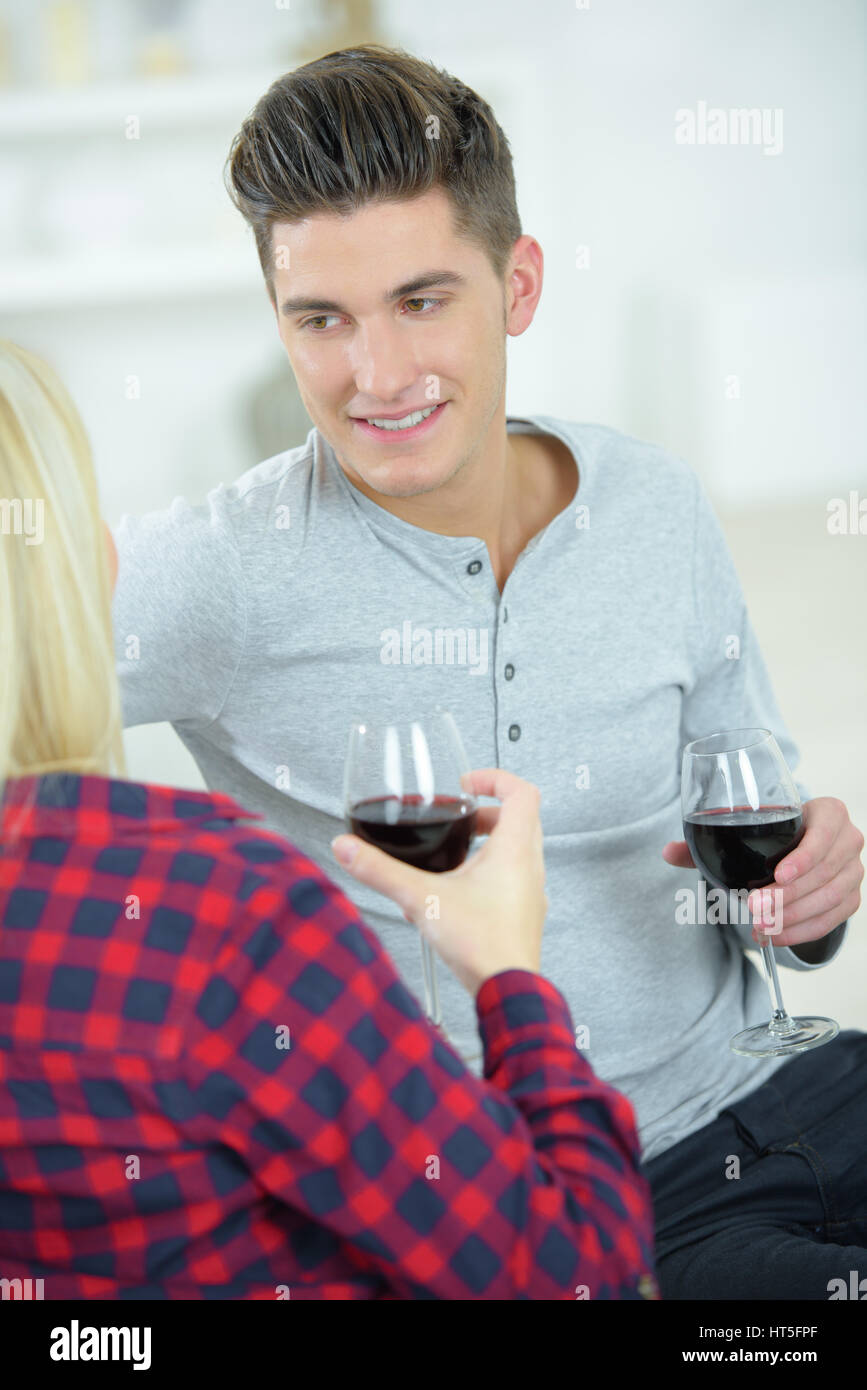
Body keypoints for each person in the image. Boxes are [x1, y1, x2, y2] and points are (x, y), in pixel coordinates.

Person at [109, 45, 865, 1299]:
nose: (378, 376)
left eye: (421, 300)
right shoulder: (221, 571)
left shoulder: (656, 509)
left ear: (517, 285)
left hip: (798, 1079)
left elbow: (753, 850)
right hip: (600, 1204)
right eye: (321, 320)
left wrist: (813, 895)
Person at [0, 340, 659, 1300]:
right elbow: (569, 1271)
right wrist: (510, 972)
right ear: (83, 570)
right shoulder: (215, 911)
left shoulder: (648, 510)